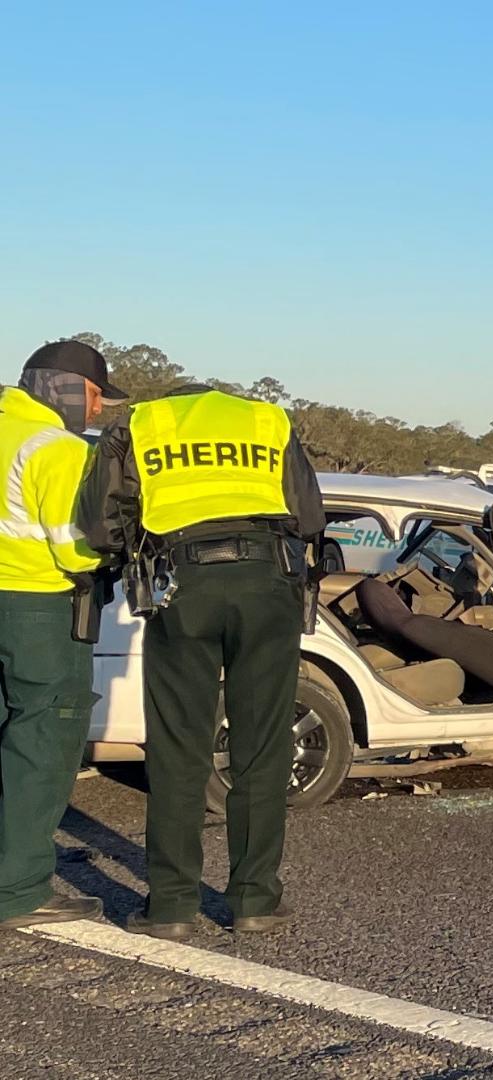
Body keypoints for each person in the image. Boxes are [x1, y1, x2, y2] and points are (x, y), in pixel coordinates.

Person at [79, 379, 323, 938]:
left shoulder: (139, 423)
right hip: (269, 583)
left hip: (180, 583)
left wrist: (128, 554)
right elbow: (308, 517)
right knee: (262, 745)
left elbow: (100, 523)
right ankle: (255, 900)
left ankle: (170, 906)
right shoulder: (268, 421)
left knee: (177, 747)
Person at [0, 342, 122, 930]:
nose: (97, 411)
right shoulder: (54, 447)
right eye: (97, 395)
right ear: (67, 387)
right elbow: (74, 547)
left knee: (8, 737)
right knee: (43, 742)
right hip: (37, 607)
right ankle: (18, 889)